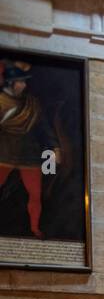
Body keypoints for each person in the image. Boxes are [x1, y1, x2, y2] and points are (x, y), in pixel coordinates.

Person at [0, 60, 60, 238]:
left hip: (29, 155)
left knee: (35, 194)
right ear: (11, 82)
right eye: (21, 81)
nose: (24, 85)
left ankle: (34, 228)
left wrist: (55, 147)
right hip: (3, 152)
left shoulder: (32, 104)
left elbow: (44, 128)